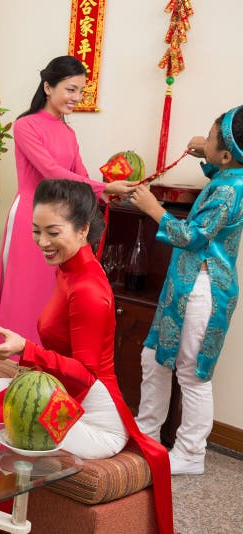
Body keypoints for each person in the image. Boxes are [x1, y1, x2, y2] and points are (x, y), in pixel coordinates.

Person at [0, 179, 173, 534]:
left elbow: (86, 374)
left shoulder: (86, 288)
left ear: (83, 229)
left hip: (94, 418)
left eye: (52, 232)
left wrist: (26, 349)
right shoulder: (70, 270)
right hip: (67, 397)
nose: (41, 242)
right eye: (36, 231)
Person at [131, 106, 243, 476]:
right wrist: (206, 154)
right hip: (185, 284)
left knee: (192, 373)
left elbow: (193, 237)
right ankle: (146, 435)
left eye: (210, 139)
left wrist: (154, 209)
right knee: (154, 357)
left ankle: (191, 454)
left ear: (227, 154)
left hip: (204, 288)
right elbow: (220, 173)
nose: (203, 140)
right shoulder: (231, 175)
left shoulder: (229, 191)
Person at [0, 55, 136, 344]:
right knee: (23, 292)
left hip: (62, 224)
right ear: (48, 87)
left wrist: (107, 191)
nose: (77, 97)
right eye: (71, 89)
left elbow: (79, 175)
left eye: (81, 91)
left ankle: (42, 363)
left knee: (50, 294)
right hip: (30, 219)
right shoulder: (26, 126)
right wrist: (102, 187)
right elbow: (52, 173)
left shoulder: (69, 133)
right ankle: (10, 363)